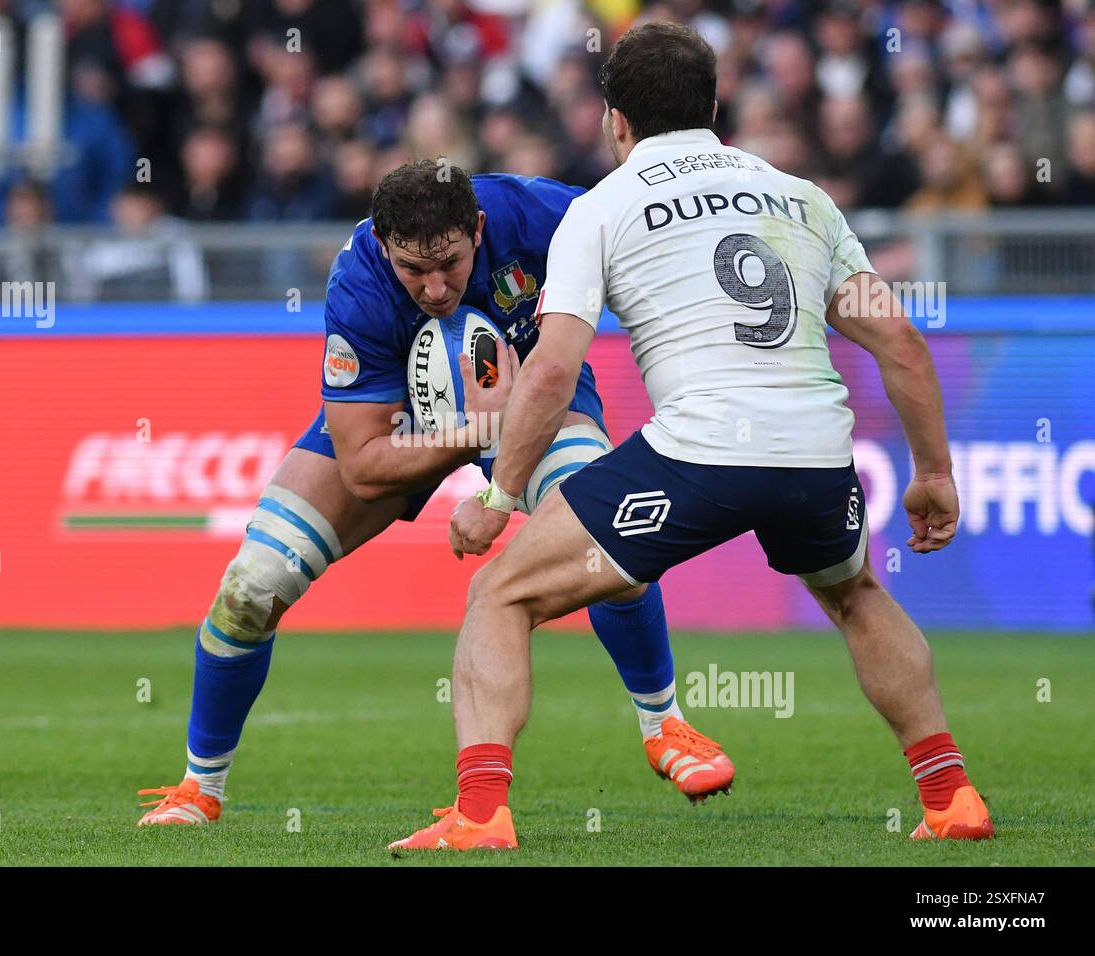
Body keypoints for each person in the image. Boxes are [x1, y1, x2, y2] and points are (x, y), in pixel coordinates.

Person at [391, 23, 994, 851]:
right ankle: (952, 796)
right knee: (857, 597)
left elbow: (554, 368)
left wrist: (498, 498)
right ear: (714, 105)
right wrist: (933, 473)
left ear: (614, 121)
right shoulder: (801, 196)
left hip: (699, 455)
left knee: (501, 595)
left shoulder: (600, 208)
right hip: (816, 453)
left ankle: (482, 813)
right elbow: (900, 342)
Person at [135, 159, 736, 826]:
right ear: (385, 247)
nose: (433, 286)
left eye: (449, 263)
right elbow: (363, 463)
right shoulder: (360, 280)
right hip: (403, 420)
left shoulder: (539, 214)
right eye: (411, 270)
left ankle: (665, 726)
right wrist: (478, 427)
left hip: (534, 401)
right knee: (251, 587)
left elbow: (648, 237)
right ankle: (200, 787)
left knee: (605, 547)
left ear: (477, 229)